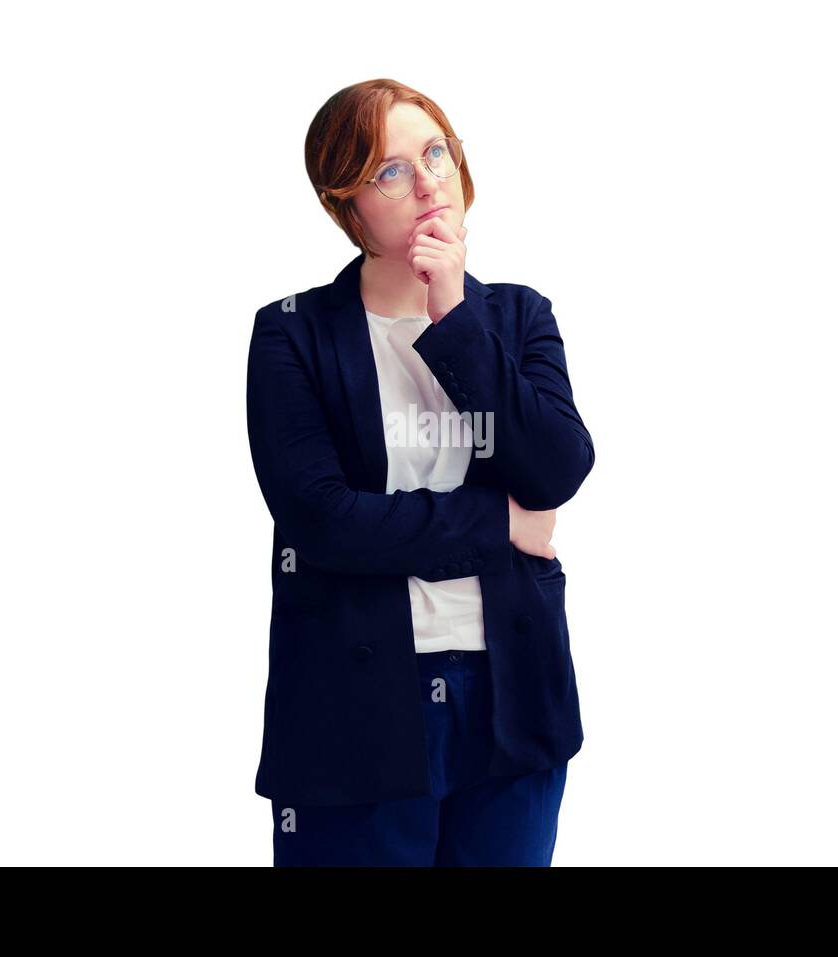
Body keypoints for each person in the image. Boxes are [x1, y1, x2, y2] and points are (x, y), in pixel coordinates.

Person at [245, 78, 595, 866]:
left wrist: (455, 319)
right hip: (353, 712)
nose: (429, 180)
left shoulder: (519, 316)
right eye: (391, 170)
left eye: (436, 152)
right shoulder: (291, 335)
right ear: (346, 207)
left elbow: (557, 468)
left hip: (514, 704)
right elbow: (325, 523)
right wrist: (500, 522)